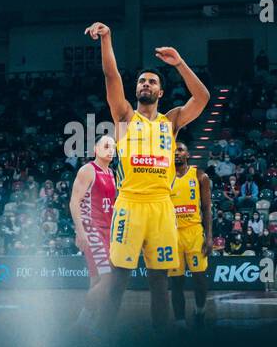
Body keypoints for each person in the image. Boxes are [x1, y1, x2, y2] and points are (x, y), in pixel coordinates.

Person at [83, 21, 210, 329]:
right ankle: (103, 341)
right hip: (130, 204)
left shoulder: (171, 121)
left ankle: (160, 344)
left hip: (162, 207)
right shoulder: (125, 116)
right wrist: (107, 38)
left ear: (160, 91)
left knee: (159, 283)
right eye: (142, 81)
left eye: (152, 82)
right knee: (118, 280)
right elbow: (111, 76)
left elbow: (203, 98)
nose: (146, 85)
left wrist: (179, 63)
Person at [69, 133, 117, 325]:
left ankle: (91, 324)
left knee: (97, 280)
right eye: (106, 146)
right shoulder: (88, 170)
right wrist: (80, 232)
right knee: (109, 278)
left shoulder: (111, 173)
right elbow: (74, 202)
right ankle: (82, 322)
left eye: (113, 147)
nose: (111, 150)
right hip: (92, 229)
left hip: (107, 230)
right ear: (96, 149)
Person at [168, 140, 212, 327]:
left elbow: (207, 208)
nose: (176, 153)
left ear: (188, 155)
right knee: (176, 282)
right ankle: (180, 322)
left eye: (180, 150)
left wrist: (209, 237)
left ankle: (200, 311)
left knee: (200, 280)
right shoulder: (164, 177)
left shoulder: (200, 176)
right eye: (173, 150)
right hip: (172, 234)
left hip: (194, 232)